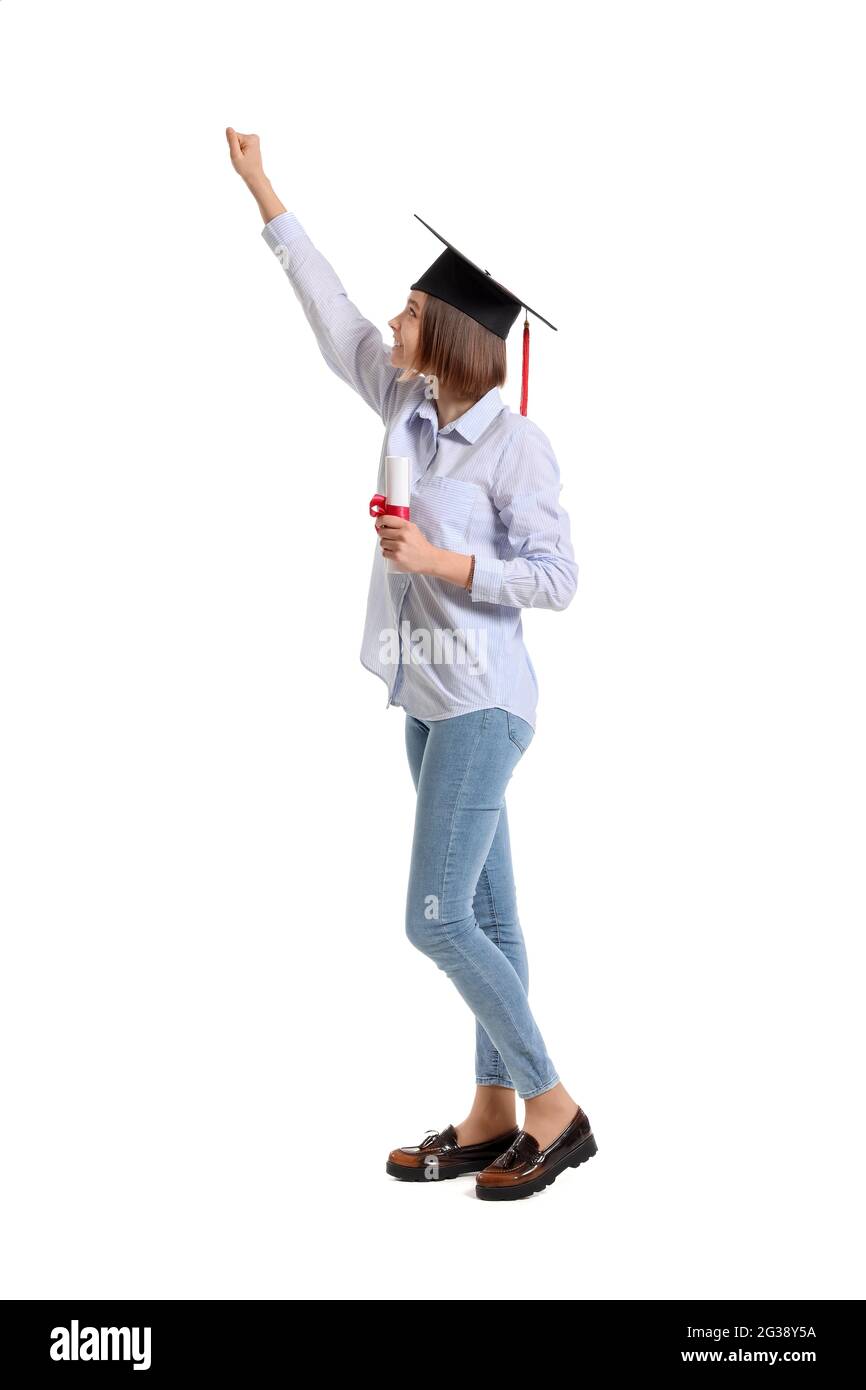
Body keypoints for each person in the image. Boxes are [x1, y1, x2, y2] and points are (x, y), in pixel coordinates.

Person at [226, 127, 598, 1200]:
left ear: (449, 335)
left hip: (483, 700)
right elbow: (330, 309)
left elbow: (559, 578)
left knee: (433, 917)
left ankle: (552, 1104)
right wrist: (262, 189)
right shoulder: (404, 401)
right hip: (425, 698)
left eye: (410, 310)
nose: (392, 321)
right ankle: (491, 1113)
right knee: (487, 917)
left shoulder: (515, 447)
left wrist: (441, 560)